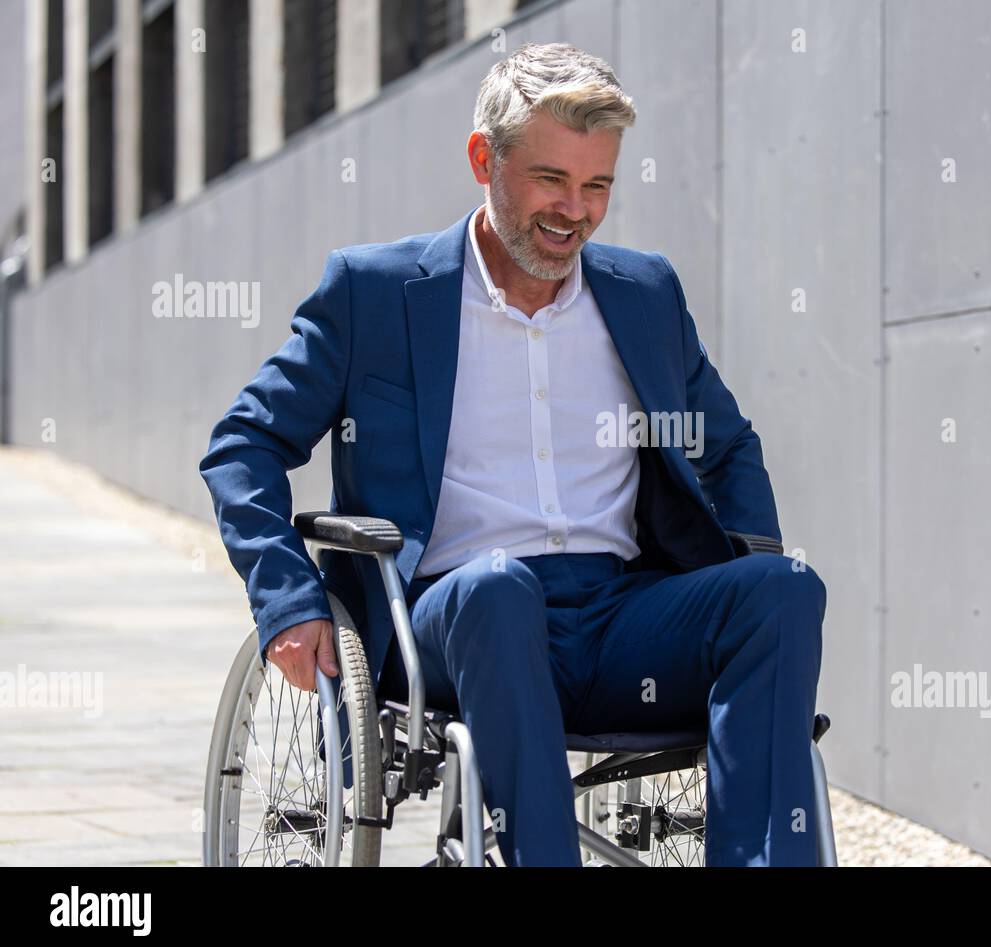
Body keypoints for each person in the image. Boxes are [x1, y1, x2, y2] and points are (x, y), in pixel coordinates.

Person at [199, 41, 826, 866]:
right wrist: (290, 602)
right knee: (500, 589)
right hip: (455, 616)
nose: (575, 210)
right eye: (551, 180)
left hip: (620, 617)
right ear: (483, 159)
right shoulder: (375, 293)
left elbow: (728, 445)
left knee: (782, 591)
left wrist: (742, 557)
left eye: (597, 185)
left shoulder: (643, 293)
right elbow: (244, 444)